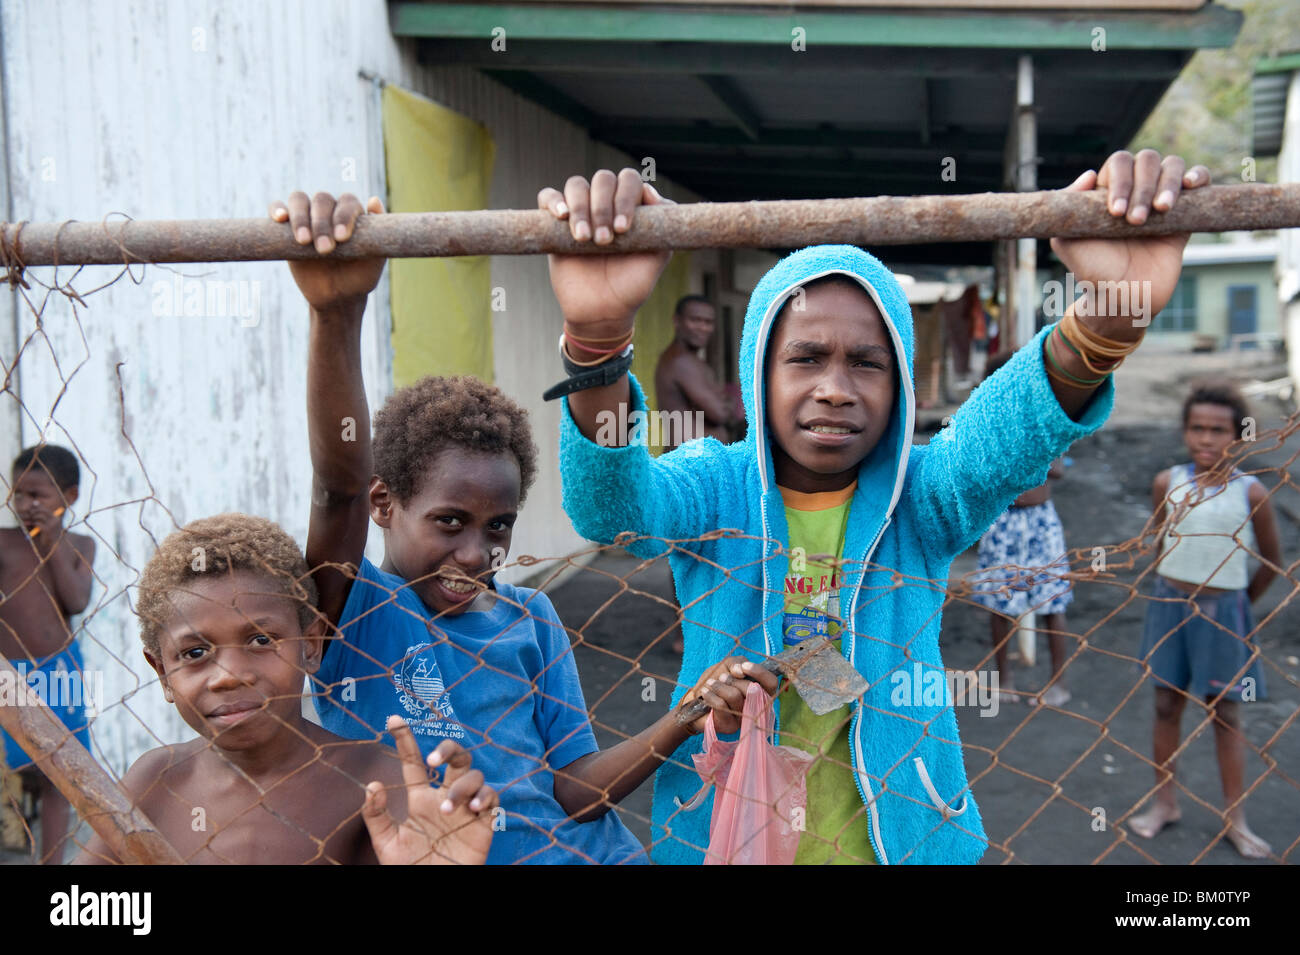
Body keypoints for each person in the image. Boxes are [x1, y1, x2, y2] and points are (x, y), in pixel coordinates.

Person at [539, 150, 1208, 864]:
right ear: (757, 375)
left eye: (866, 362)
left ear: (900, 386)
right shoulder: (717, 486)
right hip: (726, 837)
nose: (835, 387)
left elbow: (1006, 432)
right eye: (805, 357)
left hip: (900, 844)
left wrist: (1112, 317)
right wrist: (598, 341)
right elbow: (610, 510)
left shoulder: (922, 497)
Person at [269, 191, 776, 865]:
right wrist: (337, 314)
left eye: (498, 526)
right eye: (450, 522)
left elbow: (576, 790)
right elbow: (336, 488)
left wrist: (686, 715)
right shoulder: (353, 611)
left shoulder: (530, 617)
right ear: (383, 503)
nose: (476, 552)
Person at [74, 514, 497, 864]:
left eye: (261, 640)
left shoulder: (373, 779)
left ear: (310, 645)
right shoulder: (156, 780)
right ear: (162, 673)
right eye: (195, 652)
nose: (228, 675)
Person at [1129, 380, 1281, 859]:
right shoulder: (1167, 483)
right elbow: (1157, 545)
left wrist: (1237, 604)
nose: (1207, 440)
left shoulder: (1250, 492)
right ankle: (1165, 802)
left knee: (1226, 715)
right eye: (1197, 429)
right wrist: (1176, 587)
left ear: (1237, 436)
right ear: (1184, 432)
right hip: (1170, 605)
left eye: (1218, 430)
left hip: (1225, 614)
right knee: (1165, 707)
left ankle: (1234, 816)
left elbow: (1271, 562)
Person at [0, 444, 96, 863]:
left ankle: (52, 863)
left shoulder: (80, 545)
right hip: (8, 674)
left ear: (68, 498)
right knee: (11, 767)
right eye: (19, 494)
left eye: (38, 496)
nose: (26, 504)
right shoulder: (3, 544)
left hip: (60, 670)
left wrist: (52, 538)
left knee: (60, 776)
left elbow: (75, 601)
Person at [969, 352, 1073, 707]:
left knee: (1051, 602)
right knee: (1000, 604)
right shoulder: (985, 423)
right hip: (1001, 520)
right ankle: (1004, 680)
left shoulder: (1044, 420)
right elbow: (979, 473)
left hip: (1040, 521)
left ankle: (1058, 681)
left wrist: (1024, 449)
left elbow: (1057, 470)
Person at [654, 295, 740, 447]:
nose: (703, 327)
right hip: (689, 464)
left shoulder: (693, 361)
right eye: (695, 320)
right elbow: (719, 414)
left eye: (708, 322)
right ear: (677, 321)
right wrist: (728, 402)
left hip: (698, 462)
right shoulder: (680, 361)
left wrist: (725, 404)